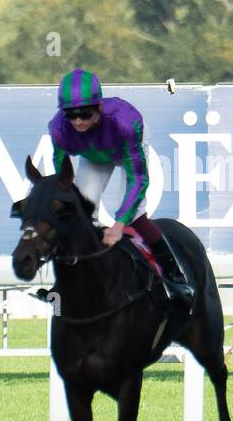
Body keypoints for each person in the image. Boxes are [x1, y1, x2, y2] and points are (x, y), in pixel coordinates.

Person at [48, 68, 193, 305]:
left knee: (134, 215)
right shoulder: (58, 129)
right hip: (93, 156)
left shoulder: (125, 123)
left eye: (84, 114)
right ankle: (68, 280)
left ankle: (174, 274)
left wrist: (118, 225)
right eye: (71, 115)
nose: (78, 121)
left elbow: (139, 179)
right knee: (80, 213)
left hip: (125, 150)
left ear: (99, 107)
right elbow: (63, 179)